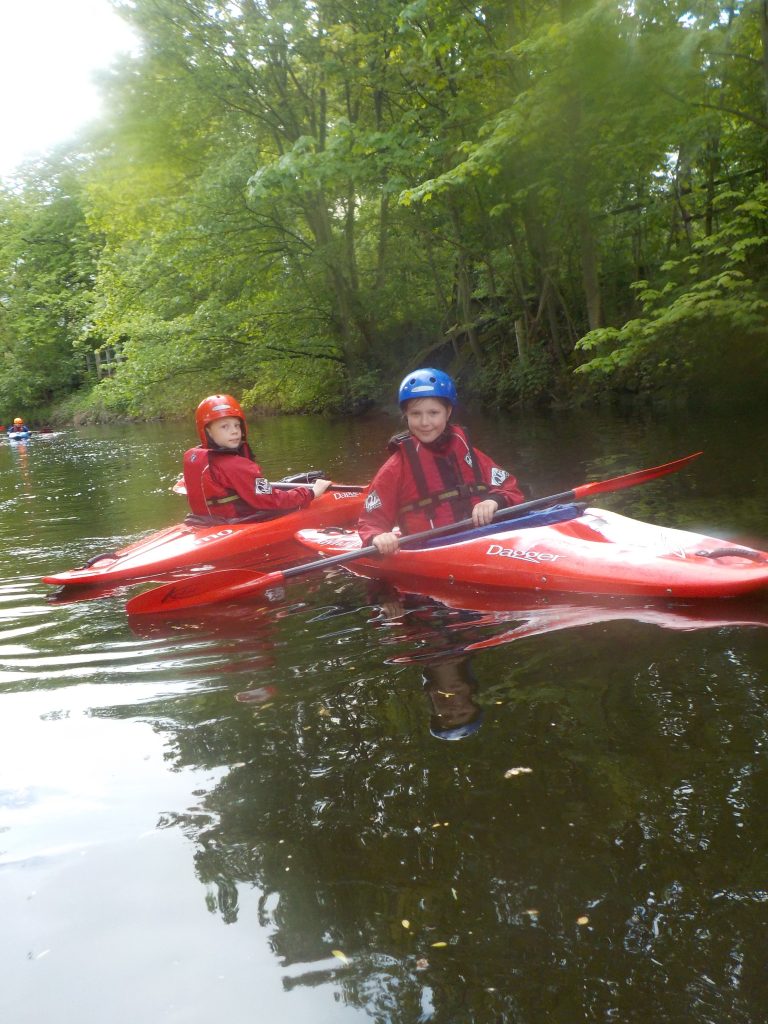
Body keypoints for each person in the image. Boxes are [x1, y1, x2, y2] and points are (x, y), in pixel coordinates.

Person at [357, 368, 525, 553]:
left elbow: (510, 488)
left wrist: (493, 501)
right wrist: (378, 537)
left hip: (484, 543)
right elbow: (371, 522)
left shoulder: (469, 453)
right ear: (406, 416)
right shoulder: (396, 467)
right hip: (431, 552)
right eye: (415, 414)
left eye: (433, 413)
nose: (425, 422)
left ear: (448, 411)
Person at [183, 394, 331, 519]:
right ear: (207, 432)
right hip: (237, 522)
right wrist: (311, 493)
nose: (234, 431)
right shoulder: (236, 466)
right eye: (224, 426)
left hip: (206, 521)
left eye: (236, 425)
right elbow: (270, 499)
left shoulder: (200, 459)